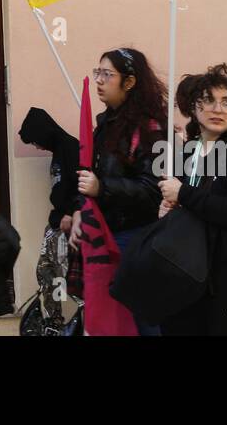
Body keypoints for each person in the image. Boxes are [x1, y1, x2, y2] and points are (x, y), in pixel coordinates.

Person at [158, 65, 227, 335]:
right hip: (194, 271)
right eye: (208, 101)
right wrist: (170, 208)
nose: (218, 109)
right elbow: (191, 206)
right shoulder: (187, 154)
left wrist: (183, 194)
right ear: (193, 108)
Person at [71, 46, 167, 334]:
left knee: (141, 319)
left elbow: (153, 190)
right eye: (97, 72)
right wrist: (79, 211)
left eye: (107, 74)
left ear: (130, 82)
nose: (99, 80)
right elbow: (89, 175)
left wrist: (103, 188)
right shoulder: (104, 125)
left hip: (135, 237)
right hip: (104, 233)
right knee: (110, 318)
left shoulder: (152, 129)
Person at [19, 107, 81, 328]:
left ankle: (85, 317)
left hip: (67, 223)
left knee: (67, 275)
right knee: (46, 272)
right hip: (56, 223)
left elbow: (79, 185)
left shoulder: (70, 146)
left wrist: (71, 212)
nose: (36, 146)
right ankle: (54, 322)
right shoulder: (58, 151)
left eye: (35, 141)